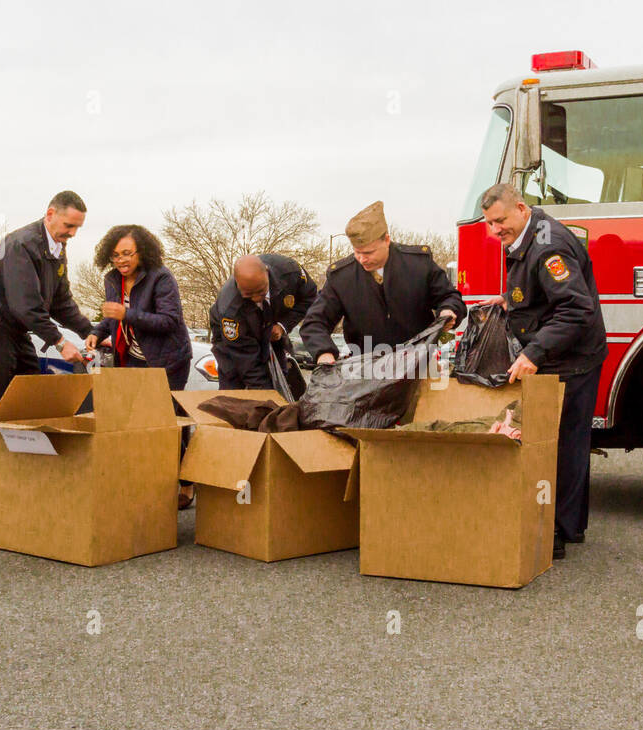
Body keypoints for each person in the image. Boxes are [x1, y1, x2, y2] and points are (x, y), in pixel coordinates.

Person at [478, 183, 607, 559]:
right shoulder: (527, 235)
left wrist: (535, 352)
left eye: (500, 220)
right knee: (565, 443)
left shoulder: (549, 247)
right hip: (564, 355)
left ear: (520, 208)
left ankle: (559, 532)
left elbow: (575, 309)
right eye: (488, 223)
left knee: (562, 446)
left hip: (571, 361)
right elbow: (543, 295)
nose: (494, 230)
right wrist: (508, 301)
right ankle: (570, 525)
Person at [84, 224, 195, 507]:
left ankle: (186, 482)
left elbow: (169, 321)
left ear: (142, 252)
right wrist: (98, 333)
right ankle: (147, 480)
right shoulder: (112, 279)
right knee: (135, 421)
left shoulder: (162, 278)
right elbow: (113, 317)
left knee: (169, 423)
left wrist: (128, 314)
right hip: (132, 358)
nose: (121, 261)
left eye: (127, 254)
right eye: (115, 255)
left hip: (167, 360)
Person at [0, 191, 94, 415]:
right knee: (2, 406)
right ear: (50, 214)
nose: (72, 233)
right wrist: (60, 343)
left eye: (77, 228)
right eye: (68, 225)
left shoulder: (56, 246)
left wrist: (91, 332)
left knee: (28, 397)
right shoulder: (20, 244)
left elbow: (61, 302)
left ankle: (25, 450)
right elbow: (25, 305)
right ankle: (0, 450)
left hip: (18, 329)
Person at [299, 201, 465, 365]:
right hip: (366, 370)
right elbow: (315, 322)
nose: (362, 259)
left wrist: (448, 310)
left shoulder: (419, 265)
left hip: (419, 366)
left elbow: (449, 297)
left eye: (369, 252)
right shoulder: (342, 277)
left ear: (386, 240)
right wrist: (324, 352)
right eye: (357, 252)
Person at [209, 253, 316, 392]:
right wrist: (266, 395)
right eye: (248, 294)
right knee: (234, 393)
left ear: (267, 272)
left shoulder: (291, 273)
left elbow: (310, 298)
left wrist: (283, 325)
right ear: (237, 282)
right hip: (233, 346)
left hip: (272, 334)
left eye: (261, 292)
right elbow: (248, 364)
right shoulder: (229, 308)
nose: (256, 299)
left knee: (280, 382)